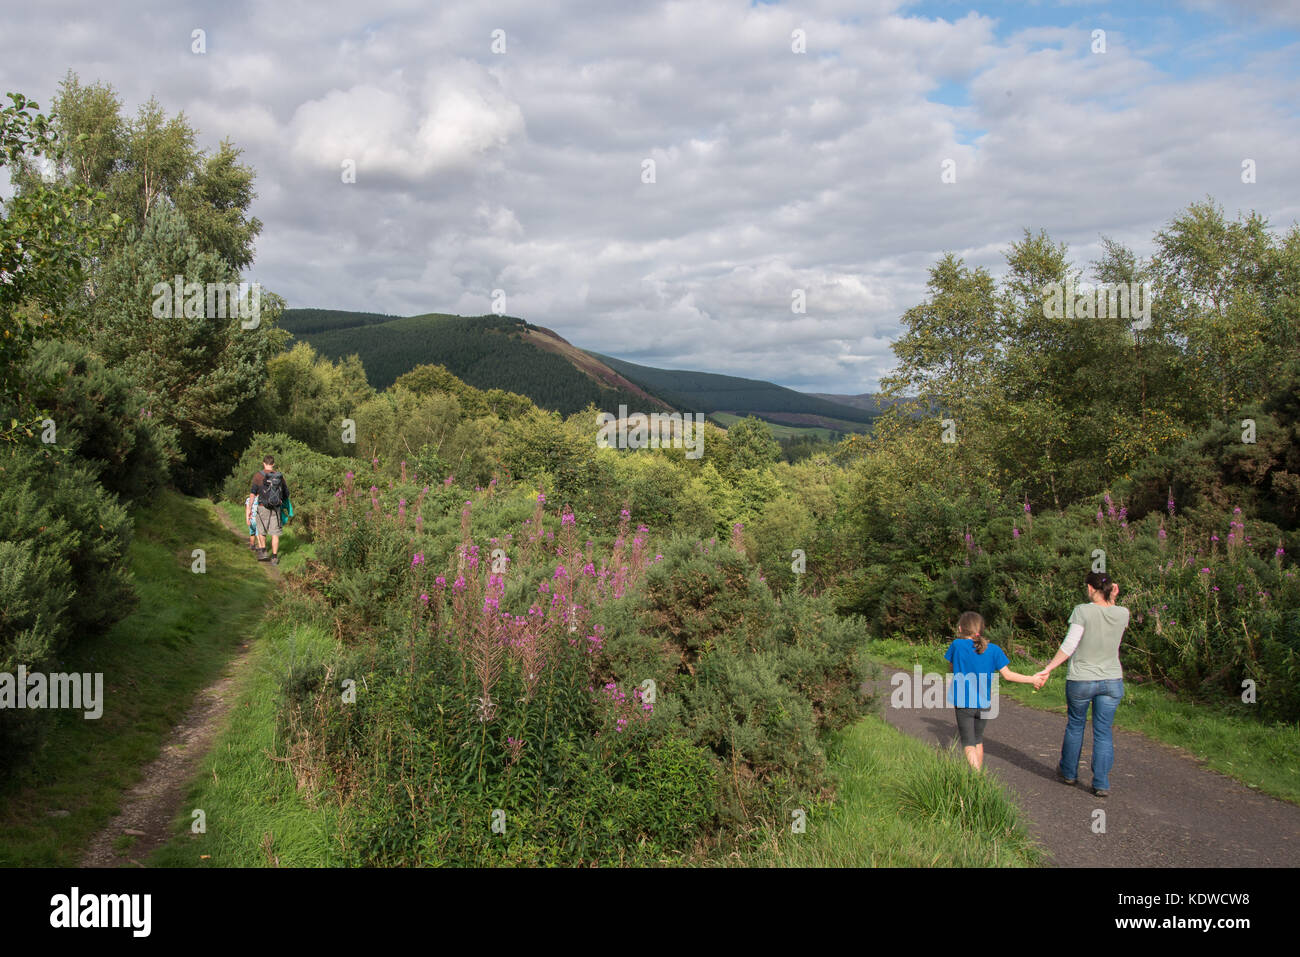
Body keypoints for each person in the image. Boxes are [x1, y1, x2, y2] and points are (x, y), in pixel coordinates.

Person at [1035, 571, 1128, 797]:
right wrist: (1113, 598)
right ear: (1110, 589)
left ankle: (1068, 772)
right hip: (1112, 679)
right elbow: (1109, 614)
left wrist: (1048, 668)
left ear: (1089, 588)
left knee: (1076, 725)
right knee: (1103, 731)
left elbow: (1069, 646)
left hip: (1082, 679)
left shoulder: (1082, 611)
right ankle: (1101, 782)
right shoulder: (1123, 613)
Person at [944, 611, 1045, 771]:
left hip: (964, 702)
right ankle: (980, 776)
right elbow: (1008, 675)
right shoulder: (994, 650)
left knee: (968, 743)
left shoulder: (956, 645)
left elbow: (950, 666)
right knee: (978, 740)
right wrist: (1033, 679)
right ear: (982, 628)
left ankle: (977, 779)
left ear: (960, 628)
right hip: (985, 703)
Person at [251, 455, 290, 566]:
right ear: (273, 464)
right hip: (276, 508)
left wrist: (249, 507)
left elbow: (253, 492)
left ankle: (263, 551)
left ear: (263, 463)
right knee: (275, 533)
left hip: (262, 506)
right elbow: (286, 493)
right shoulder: (279, 477)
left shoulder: (258, 476)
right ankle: (274, 557)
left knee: (261, 530)